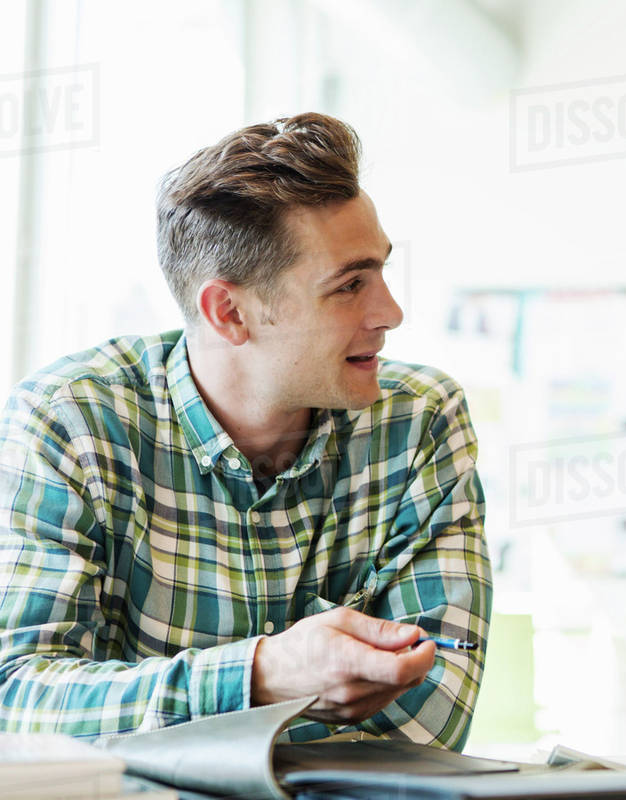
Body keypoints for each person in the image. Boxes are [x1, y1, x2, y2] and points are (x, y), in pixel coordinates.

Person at [0, 113, 492, 748]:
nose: (390, 313)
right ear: (229, 312)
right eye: (350, 285)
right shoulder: (72, 421)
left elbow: (429, 720)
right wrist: (258, 677)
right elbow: (16, 698)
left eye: (381, 273)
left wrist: (158, 722)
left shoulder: (420, 422)